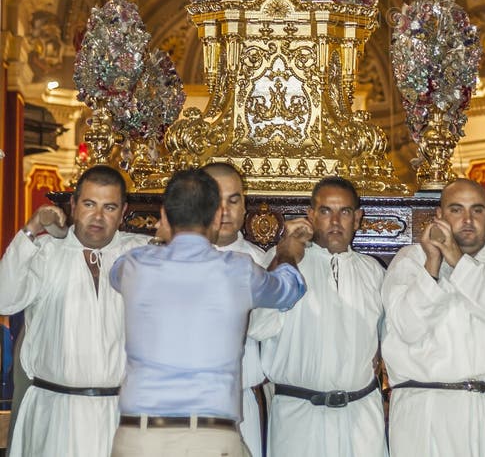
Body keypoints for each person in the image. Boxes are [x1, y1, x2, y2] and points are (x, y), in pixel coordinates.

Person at [109, 167, 307, 457]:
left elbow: (115, 275)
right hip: (210, 437)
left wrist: (160, 239)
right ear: (217, 216)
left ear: (164, 216)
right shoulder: (238, 270)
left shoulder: (134, 265)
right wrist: (288, 253)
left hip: (140, 437)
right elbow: (289, 290)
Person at [382, 178, 485, 457]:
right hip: (427, 415)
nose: (468, 219)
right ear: (439, 215)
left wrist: (459, 262)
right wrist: (432, 265)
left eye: (477, 210)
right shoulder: (410, 261)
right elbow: (407, 327)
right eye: (456, 210)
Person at [0, 165, 149, 457]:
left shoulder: (140, 254)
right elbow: (5, 300)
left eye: (109, 207)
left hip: (120, 416)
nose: (98, 216)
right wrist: (31, 228)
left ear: (123, 211)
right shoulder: (45, 251)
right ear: (73, 204)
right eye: (89, 204)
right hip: (54, 413)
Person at [249, 176, 388, 457]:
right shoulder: (282, 263)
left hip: (361, 419)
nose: (335, 221)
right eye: (325, 211)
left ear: (358, 218)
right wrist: (285, 255)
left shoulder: (373, 272)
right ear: (311, 215)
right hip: (298, 420)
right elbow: (259, 326)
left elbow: (390, 338)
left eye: (345, 212)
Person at [204, 161, 269, 457]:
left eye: (234, 200)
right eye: (216, 201)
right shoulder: (172, 260)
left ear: (245, 205)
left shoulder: (263, 263)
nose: (226, 211)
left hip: (243, 401)